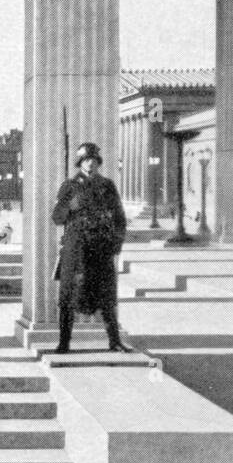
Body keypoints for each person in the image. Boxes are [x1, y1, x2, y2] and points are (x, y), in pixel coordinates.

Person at [52, 141, 130, 355]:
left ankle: (114, 341)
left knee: (106, 297)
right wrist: (70, 206)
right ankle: (64, 343)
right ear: (80, 163)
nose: (91, 164)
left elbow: (119, 218)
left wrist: (116, 243)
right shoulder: (69, 186)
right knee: (68, 297)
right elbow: (56, 217)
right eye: (87, 160)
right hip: (76, 250)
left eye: (94, 160)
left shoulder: (107, 185)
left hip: (100, 249)